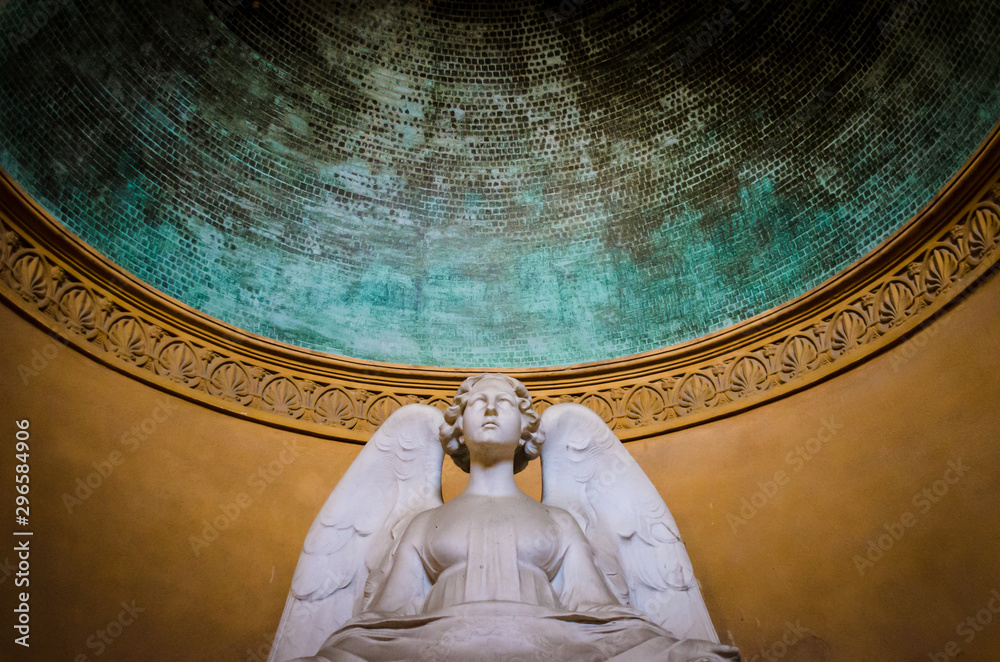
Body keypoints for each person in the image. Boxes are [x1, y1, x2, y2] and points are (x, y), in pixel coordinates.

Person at [294, 374, 740, 662]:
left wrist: (668, 650)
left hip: (550, 641)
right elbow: (386, 619)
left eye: (503, 403)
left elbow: (599, 611)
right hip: (436, 643)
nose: (490, 409)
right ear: (459, 426)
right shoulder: (423, 523)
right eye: (477, 403)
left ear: (526, 427)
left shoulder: (559, 521)